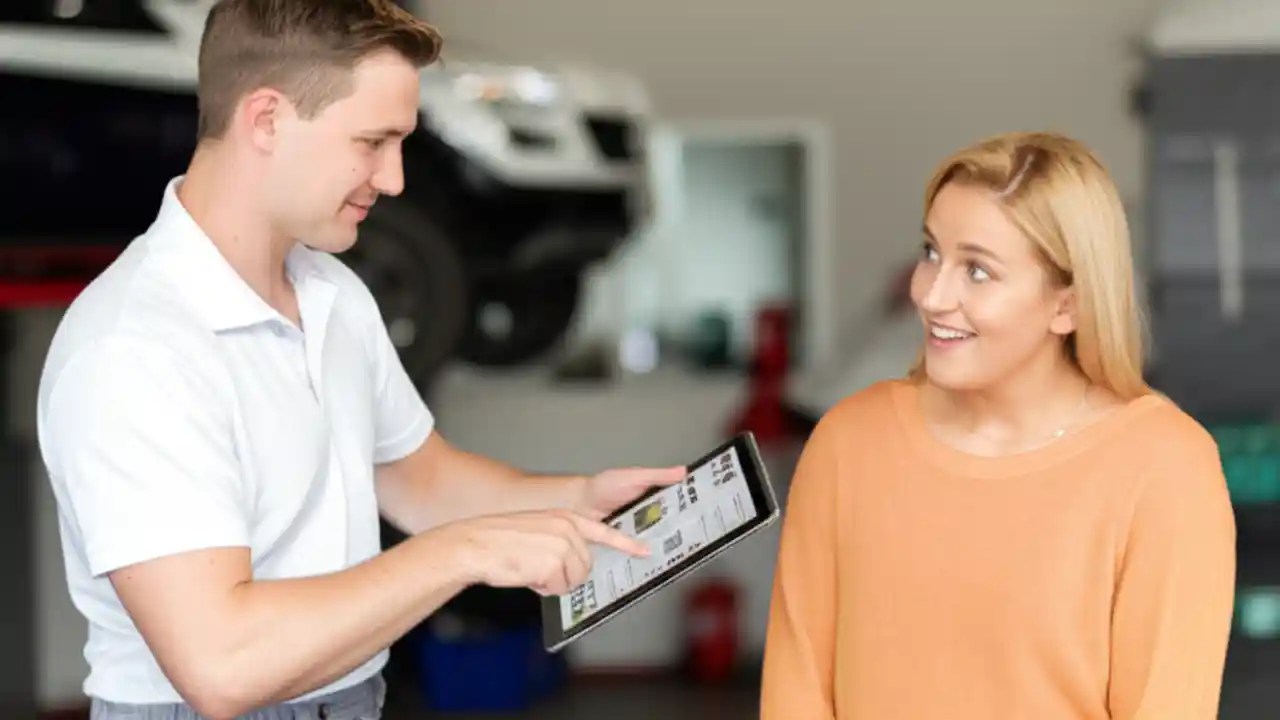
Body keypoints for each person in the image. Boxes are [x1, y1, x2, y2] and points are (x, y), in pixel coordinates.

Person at [34, 2, 685, 719]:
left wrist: (577, 500)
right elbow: (221, 666)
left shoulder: (334, 294)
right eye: (373, 142)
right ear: (266, 120)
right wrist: (462, 554)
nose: (396, 179)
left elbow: (423, 481)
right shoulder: (134, 349)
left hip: (347, 697)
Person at [759, 131, 1237, 719]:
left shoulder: (1164, 467)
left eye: (978, 271)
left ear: (1068, 305)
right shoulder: (849, 442)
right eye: (932, 252)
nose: (932, 295)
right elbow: (796, 691)